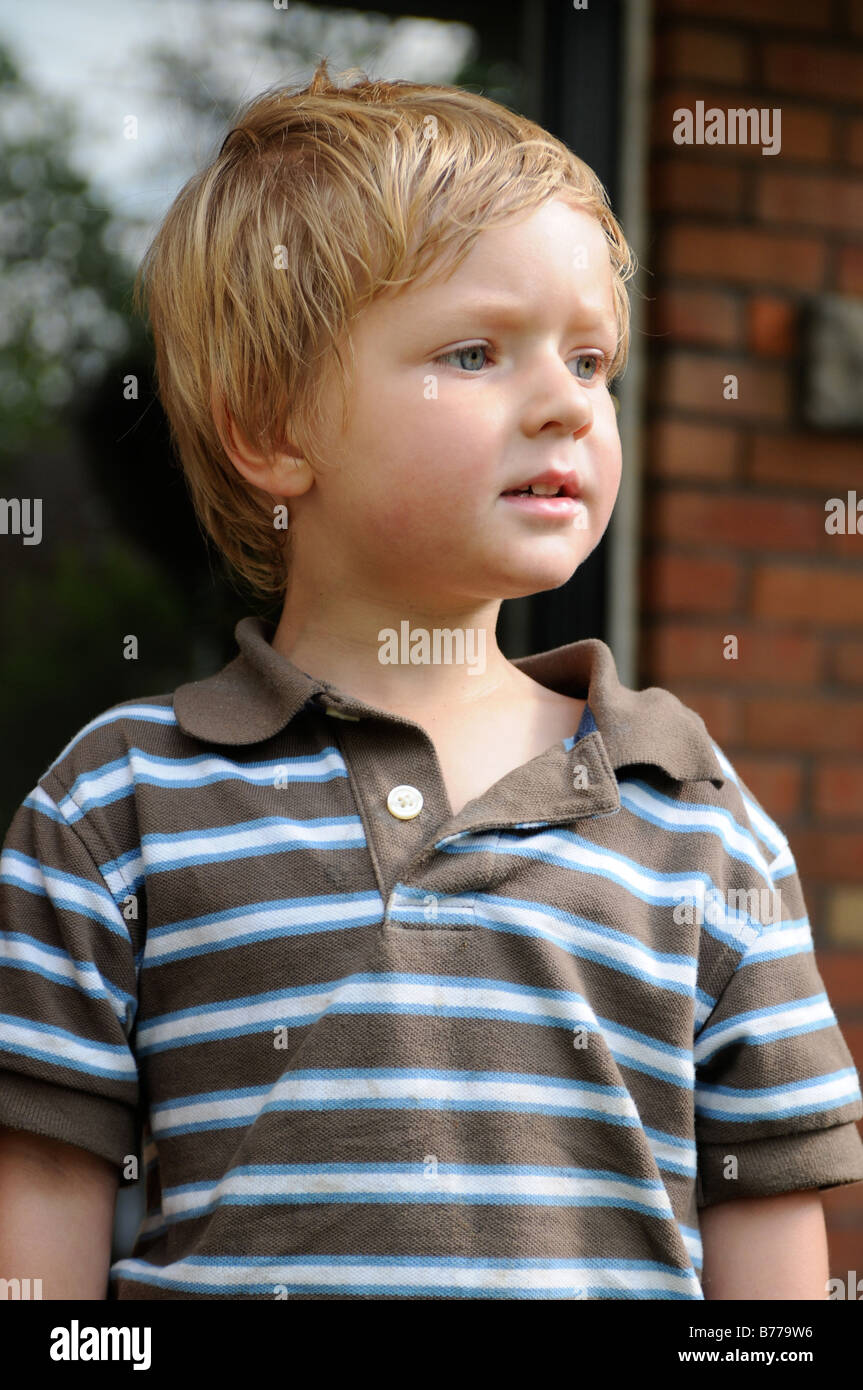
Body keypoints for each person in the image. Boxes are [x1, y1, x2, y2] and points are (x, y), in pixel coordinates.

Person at [1, 58, 862, 1302]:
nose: (564, 407)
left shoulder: (695, 822)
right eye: (474, 351)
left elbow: (765, 1229)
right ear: (273, 429)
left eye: (588, 361)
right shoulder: (114, 806)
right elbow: (42, 1217)